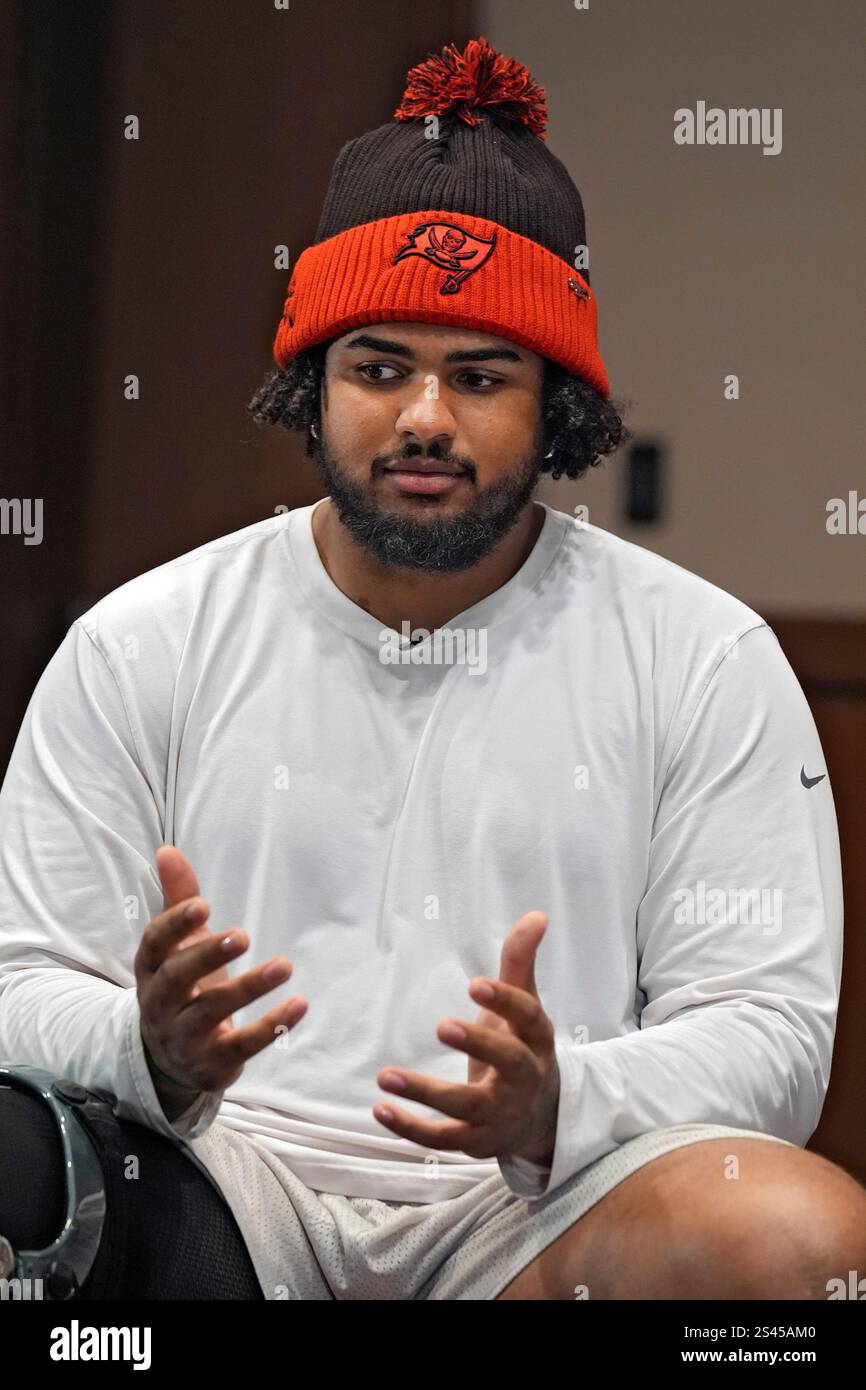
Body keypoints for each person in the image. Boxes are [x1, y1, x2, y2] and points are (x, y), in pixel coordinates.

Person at [1, 35, 864, 1301]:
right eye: (377, 366)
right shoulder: (143, 640)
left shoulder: (702, 659)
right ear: (313, 381)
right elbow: (18, 983)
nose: (421, 416)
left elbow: (771, 1037)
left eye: (478, 375)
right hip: (214, 1197)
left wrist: (559, 1098)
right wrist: (148, 1052)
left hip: (534, 1222)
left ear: (553, 405)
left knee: (807, 1251)